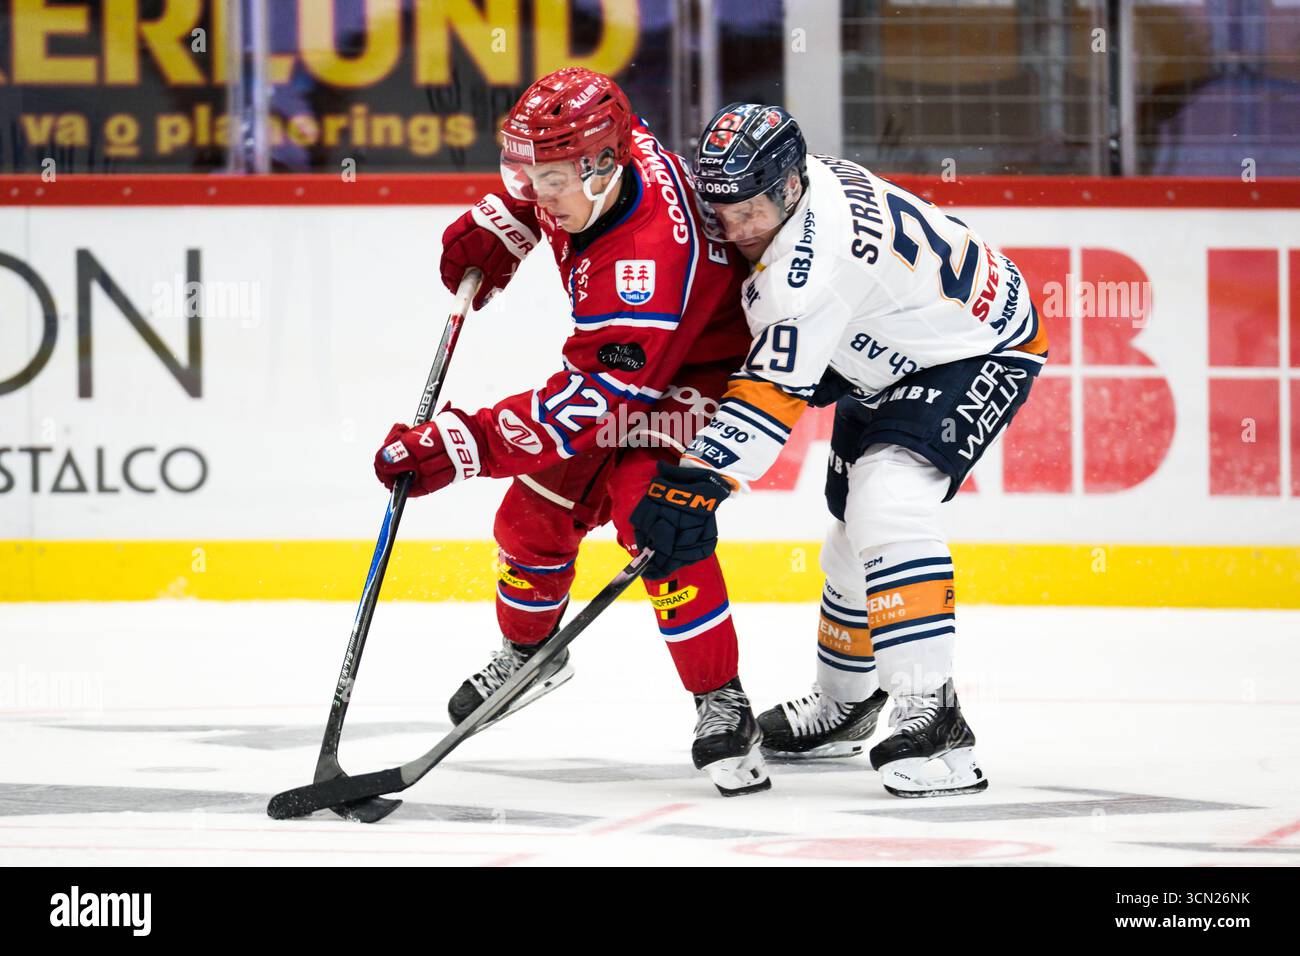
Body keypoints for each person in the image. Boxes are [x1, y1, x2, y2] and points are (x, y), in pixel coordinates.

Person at [630, 103, 1049, 797]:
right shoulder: (791, 197)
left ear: (790, 187)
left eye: (750, 212)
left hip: (976, 347)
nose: (734, 229)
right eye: (722, 210)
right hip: (897, 343)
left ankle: (934, 716)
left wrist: (696, 482)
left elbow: (771, 394)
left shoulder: (808, 265)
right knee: (853, 531)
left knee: (888, 499)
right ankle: (845, 706)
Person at [372, 70, 770, 796]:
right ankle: (531, 657)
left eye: (547, 180)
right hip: (624, 366)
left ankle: (723, 700)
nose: (534, 192)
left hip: (701, 372)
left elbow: (583, 407)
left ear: (601, 166)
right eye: (520, 172)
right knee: (528, 517)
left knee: (652, 519)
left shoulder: (645, 266)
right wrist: (507, 222)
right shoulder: (601, 153)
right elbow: (544, 185)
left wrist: (459, 446)